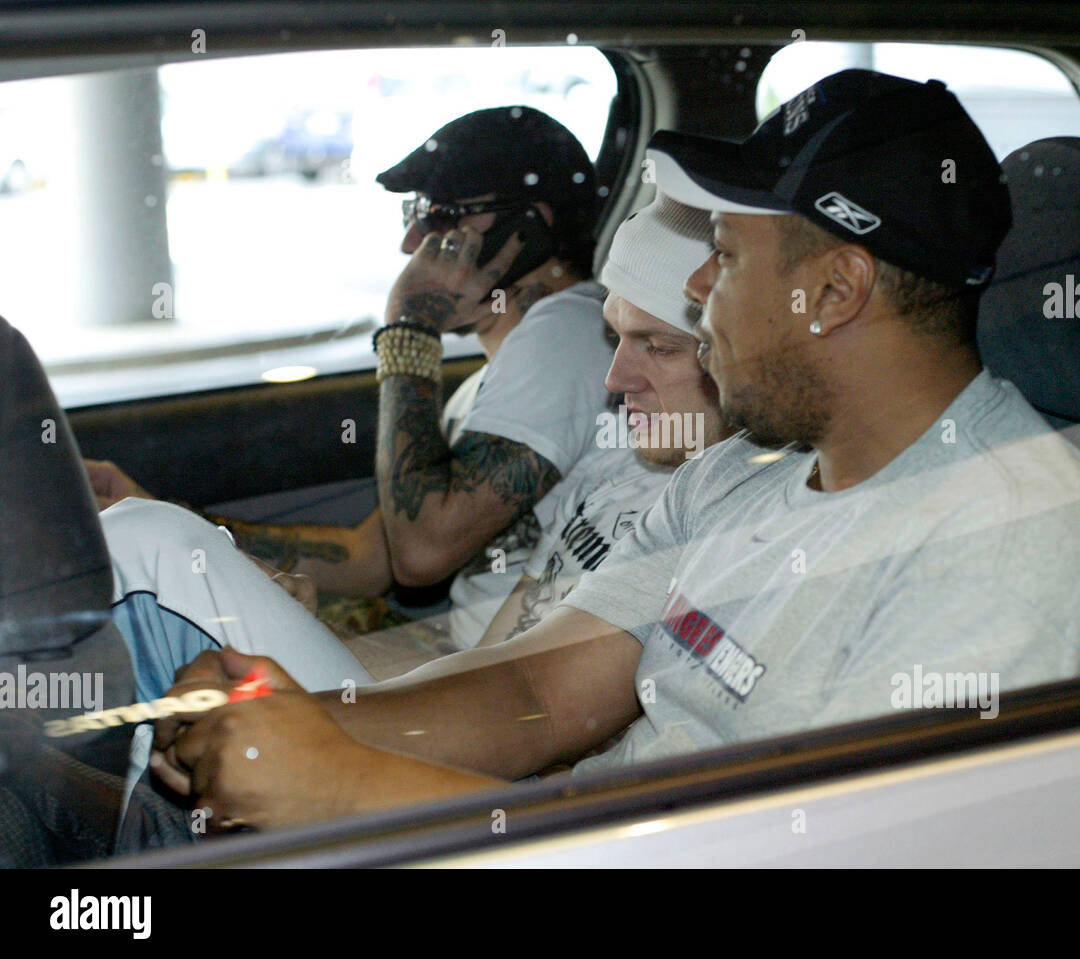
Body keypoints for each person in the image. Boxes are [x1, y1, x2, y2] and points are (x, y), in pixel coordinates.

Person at [151, 70, 1080, 832]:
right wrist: (307, 722)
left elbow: (817, 854)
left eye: (722, 257)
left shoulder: (1014, 543)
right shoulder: (743, 478)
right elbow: (536, 691)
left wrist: (347, 781)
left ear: (836, 290)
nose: (696, 294)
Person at [101, 188, 725, 700]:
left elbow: (426, 564)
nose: (613, 381)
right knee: (166, 582)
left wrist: (408, 328)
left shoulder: (709, 504)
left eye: (442, 219)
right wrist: (305, 636)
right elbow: (465, 639)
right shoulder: (610, 471)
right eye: (615, 341)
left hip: (476, 738)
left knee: (147, 540)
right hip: (449, 687)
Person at [89, 106, 615, 650]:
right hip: (452, 662)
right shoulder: (493, 380)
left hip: (495, 692)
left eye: (439, 216)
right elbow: (367, 559)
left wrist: (410, 325)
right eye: (414, 214)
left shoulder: (570, 332)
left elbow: (421, 553)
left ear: (531, 227)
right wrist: (163, 515)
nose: (412, 242)